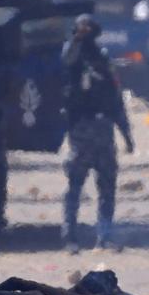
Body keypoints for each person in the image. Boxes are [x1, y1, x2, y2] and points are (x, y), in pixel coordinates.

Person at [61, 15, 134, 252]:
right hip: (82, 130)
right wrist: (76, 38)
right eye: (81, 29)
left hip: (103, 131)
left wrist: (127, 135)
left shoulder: (103, 60)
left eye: (88, 29)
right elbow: (67, 57)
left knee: (107, 187)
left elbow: (116, 100)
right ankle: (70, 237)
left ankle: (104, 236)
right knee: (75, 186)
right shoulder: (74, 59)